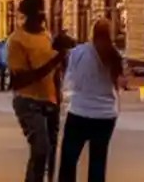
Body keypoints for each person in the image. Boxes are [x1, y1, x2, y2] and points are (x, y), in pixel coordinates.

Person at [8, 0, 67, 182]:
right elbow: (19, 80)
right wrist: (56, 60)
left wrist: (57, 96)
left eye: (43, 12)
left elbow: (56, 72)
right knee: (41, 148)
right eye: (38, 14)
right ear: (27, 16)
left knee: (51, 150)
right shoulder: (17, 40)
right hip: (28, 101)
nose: (42, 17)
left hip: (50, 100)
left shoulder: (46, 36)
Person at [57, 19, 123, 182]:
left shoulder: (78, 52)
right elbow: (120, 83)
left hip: (80, 111)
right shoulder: (115, 55)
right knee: (98, 162)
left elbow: (70, 80)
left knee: (69, 160)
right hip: (106, 114)